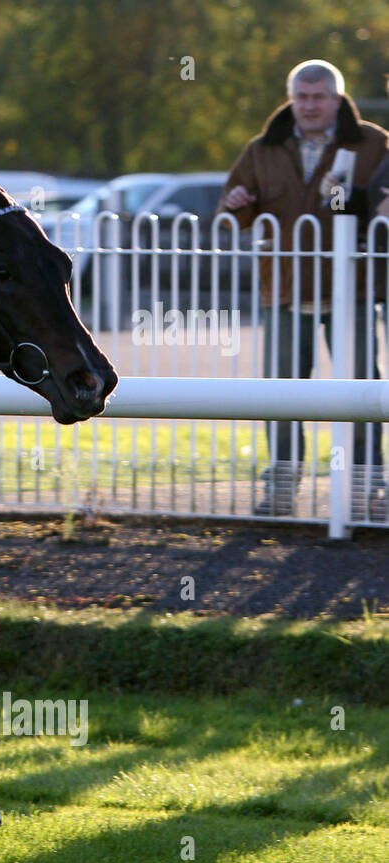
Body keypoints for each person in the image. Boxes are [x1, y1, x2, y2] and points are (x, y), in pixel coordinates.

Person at [218, 59, 389, 519]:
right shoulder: (264, 147)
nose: (310, 106)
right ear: (291, 98)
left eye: (320, 97)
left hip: (352, 289)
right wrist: (237, 204)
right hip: (285, 290)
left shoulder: (372, 142)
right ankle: (281, 487)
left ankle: (370, 487)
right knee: (283, 393)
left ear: (338, 99)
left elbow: (381, 209)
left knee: (361, 392)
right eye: (302, 97)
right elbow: (231, 212)